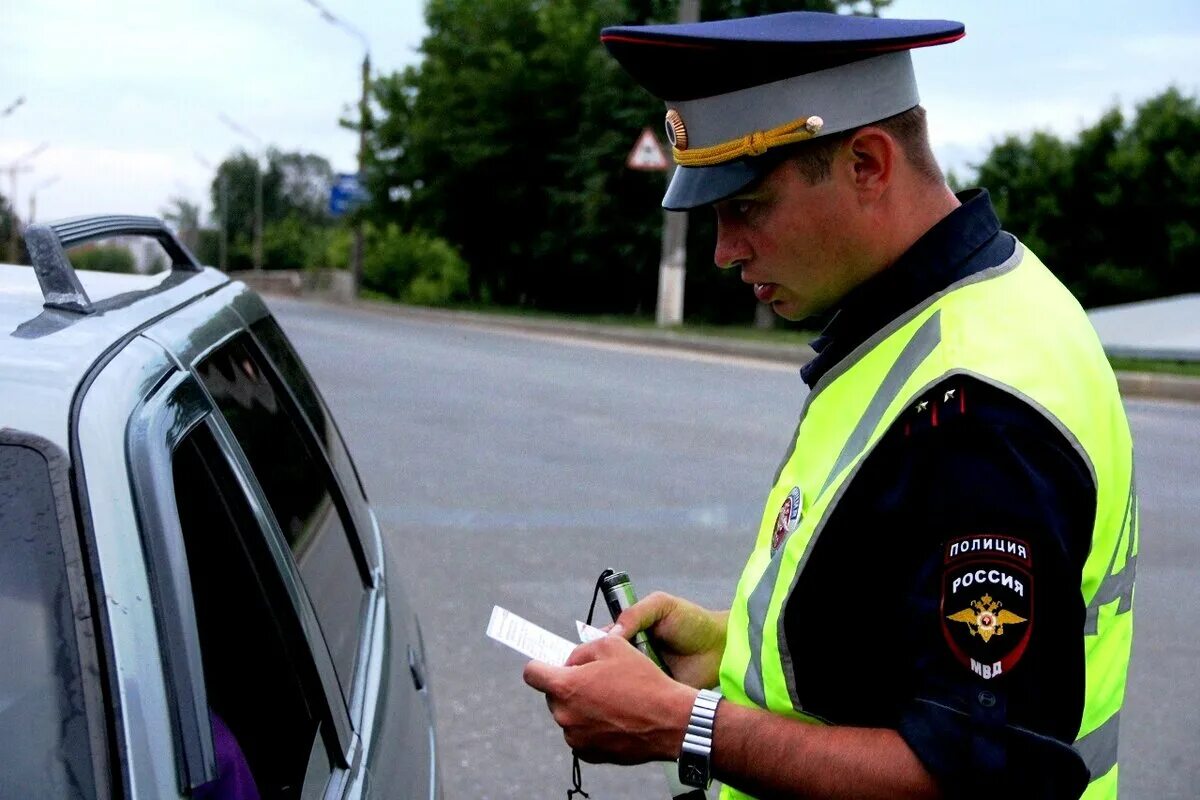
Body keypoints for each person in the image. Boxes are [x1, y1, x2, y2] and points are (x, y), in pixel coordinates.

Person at [523, 11, 1137, 800]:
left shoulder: (976, 408)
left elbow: (980, 774)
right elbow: (904, 632)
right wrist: (730, 651)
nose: (725, 250)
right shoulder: (970, 304)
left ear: (868, 164)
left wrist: (685, 726)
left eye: (747, 205)